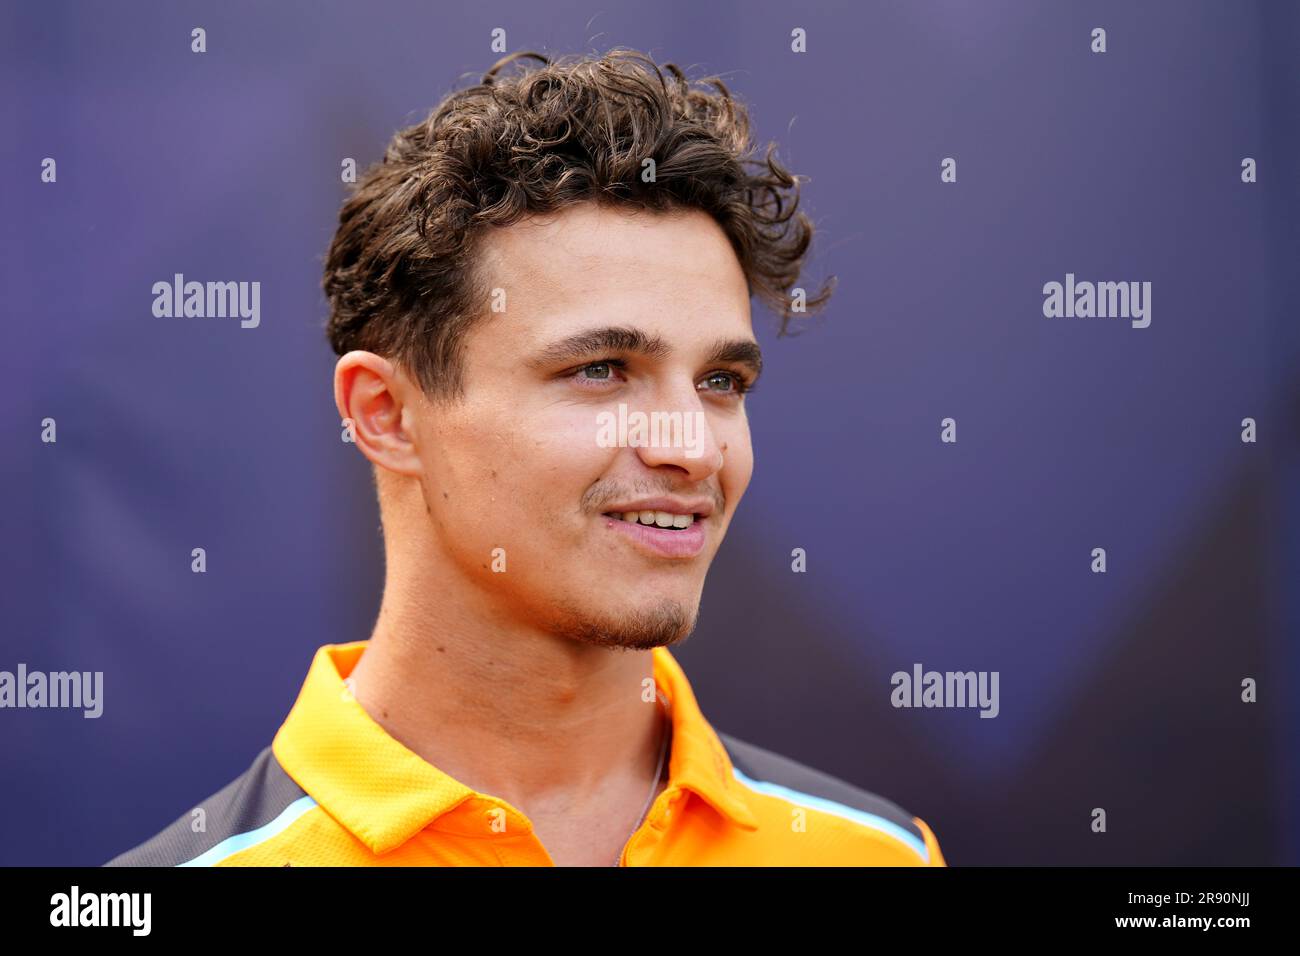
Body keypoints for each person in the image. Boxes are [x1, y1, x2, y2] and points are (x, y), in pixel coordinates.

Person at [106, 47, 945, 867]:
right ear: (388, 414)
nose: (693, 450)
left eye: (721, 380)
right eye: (601, 371)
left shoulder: (875, 854)